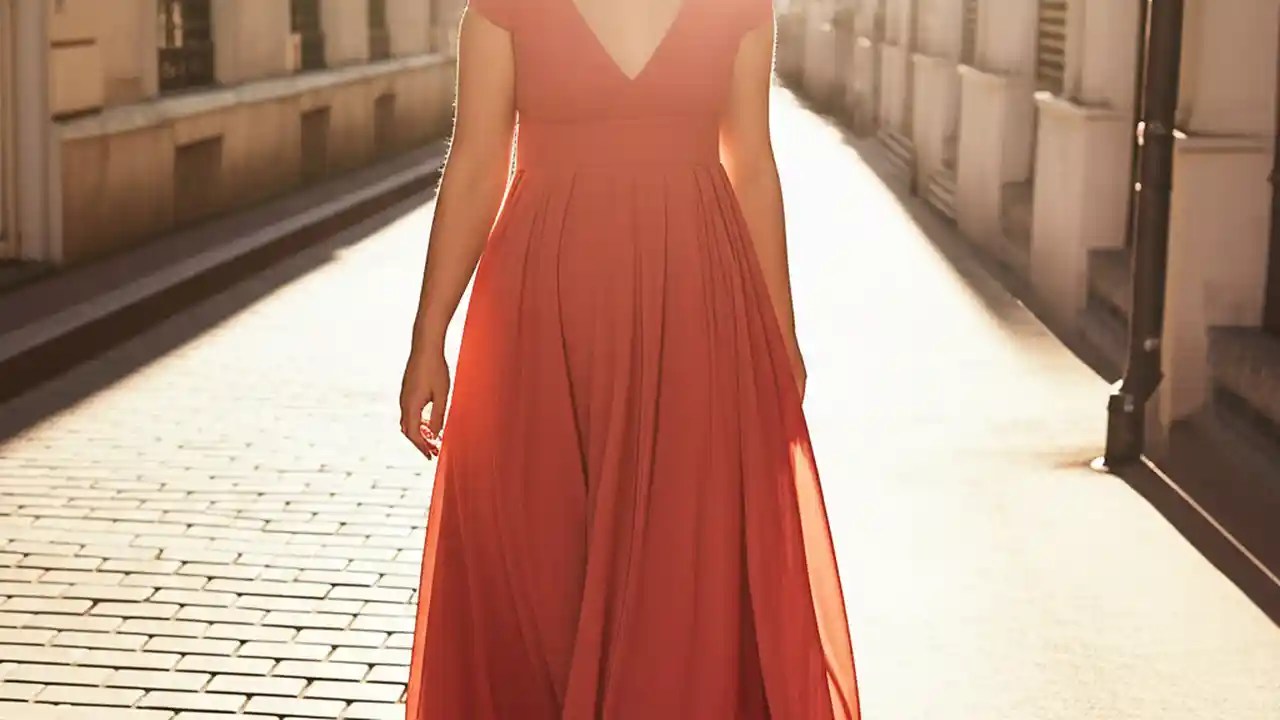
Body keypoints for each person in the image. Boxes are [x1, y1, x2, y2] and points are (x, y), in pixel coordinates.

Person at [398, 0, 860, 715]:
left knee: (678, 560)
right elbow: (475, 164)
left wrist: (780, 332)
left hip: (697, 311)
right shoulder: (502, 7)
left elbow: (753, 165)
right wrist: (430, 333)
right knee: (537, 560)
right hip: (540, 322)